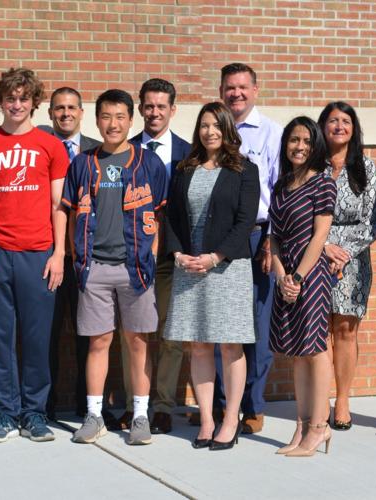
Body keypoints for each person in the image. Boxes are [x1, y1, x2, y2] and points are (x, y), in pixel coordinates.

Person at [0, 67, 69, 443]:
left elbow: (60, 205)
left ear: (34, 102)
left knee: (37, 339)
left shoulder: (50, 145)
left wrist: (59, 254)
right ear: (1, 102)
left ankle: (35, 413)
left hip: (38, 255)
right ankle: (4, 414)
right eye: (11, 98)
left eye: (24, 98)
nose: (17, 104)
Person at [66, 89, 168, 446]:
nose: (113, 124)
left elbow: (160, 214)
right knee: (99, 342)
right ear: (97, 120)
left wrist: (151, 256)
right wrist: (78, 261)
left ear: (131, 119)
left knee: (138, 342)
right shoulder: (82, 163)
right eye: (107, 117)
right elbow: (67, 216)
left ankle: (140, 415)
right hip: (95, 267)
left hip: (135, 268)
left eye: (121, 117)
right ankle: (94, 415)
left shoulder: (149, 163)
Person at [163, 102, 259, 451]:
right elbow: (172, 217)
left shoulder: (245, 170)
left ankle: (230, 419)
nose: (209, 132)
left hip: (227, 267)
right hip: (189, 266)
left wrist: (215, 256)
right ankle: (206, 419)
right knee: (200, 345)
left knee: (230, 345)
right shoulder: (184, 168)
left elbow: (245, 221)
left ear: (227, 128)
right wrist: (177, 254)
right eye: (204, 125)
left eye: (216, 125)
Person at [203, 63, 282, 434]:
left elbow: (280, 193)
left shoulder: (272, 134)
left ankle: (253, 406)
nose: (236, 93)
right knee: (221, 326)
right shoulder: (211, 132)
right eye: (229, 88)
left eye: (242, 87)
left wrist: (271, 241)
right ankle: (223, 408)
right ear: (221, 91)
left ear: (255, 89)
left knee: (256, 326)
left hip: (257, 238)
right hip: (217, 241)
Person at [111, 78, 190, 435]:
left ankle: (162, 406)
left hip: (174, 260)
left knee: (171, 338)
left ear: (173, 109)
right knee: (134, 336)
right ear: (140, 109)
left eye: (162, 106)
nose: (155, 112)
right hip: (132, 260)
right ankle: (133, 405)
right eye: (149, 106)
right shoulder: (120, 151)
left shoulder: (189, 153)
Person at [269, 116, 336, 457]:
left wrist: (297, 278)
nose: (299, 147)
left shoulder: (323, 183)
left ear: (315, 147)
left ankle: (319, 427)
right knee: (296, 353)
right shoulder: (281, 185)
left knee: (316, 350)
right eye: (294, 140)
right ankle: (300, 426)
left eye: (307, 142)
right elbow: (275, 240)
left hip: (312, 277)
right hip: (287, 278)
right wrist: (282, 277)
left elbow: (319, 236)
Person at [38, 87, 104, 421]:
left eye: (72, 108)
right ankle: (43, 406)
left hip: (87, 258)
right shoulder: (37, 145)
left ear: (82, 112)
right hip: (46, 254)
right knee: (45, 334)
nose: (65, 113)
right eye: (59, 108)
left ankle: (86, 406)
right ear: (50, 113)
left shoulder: (99, 150)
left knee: (88, 334)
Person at [317, 102, 376, 430]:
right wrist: (323, 248)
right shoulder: (312, 166)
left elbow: (371, 219)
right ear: (322, 126)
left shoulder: (365, 168)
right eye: (332, 121)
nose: (339, 126)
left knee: (344, 328)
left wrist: (343, 253)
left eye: (345, 121)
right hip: (315, 254)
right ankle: (319, 399)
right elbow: (302, 212)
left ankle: (342, 399)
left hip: (353, 261)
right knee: (317, 329)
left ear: (353, 128)